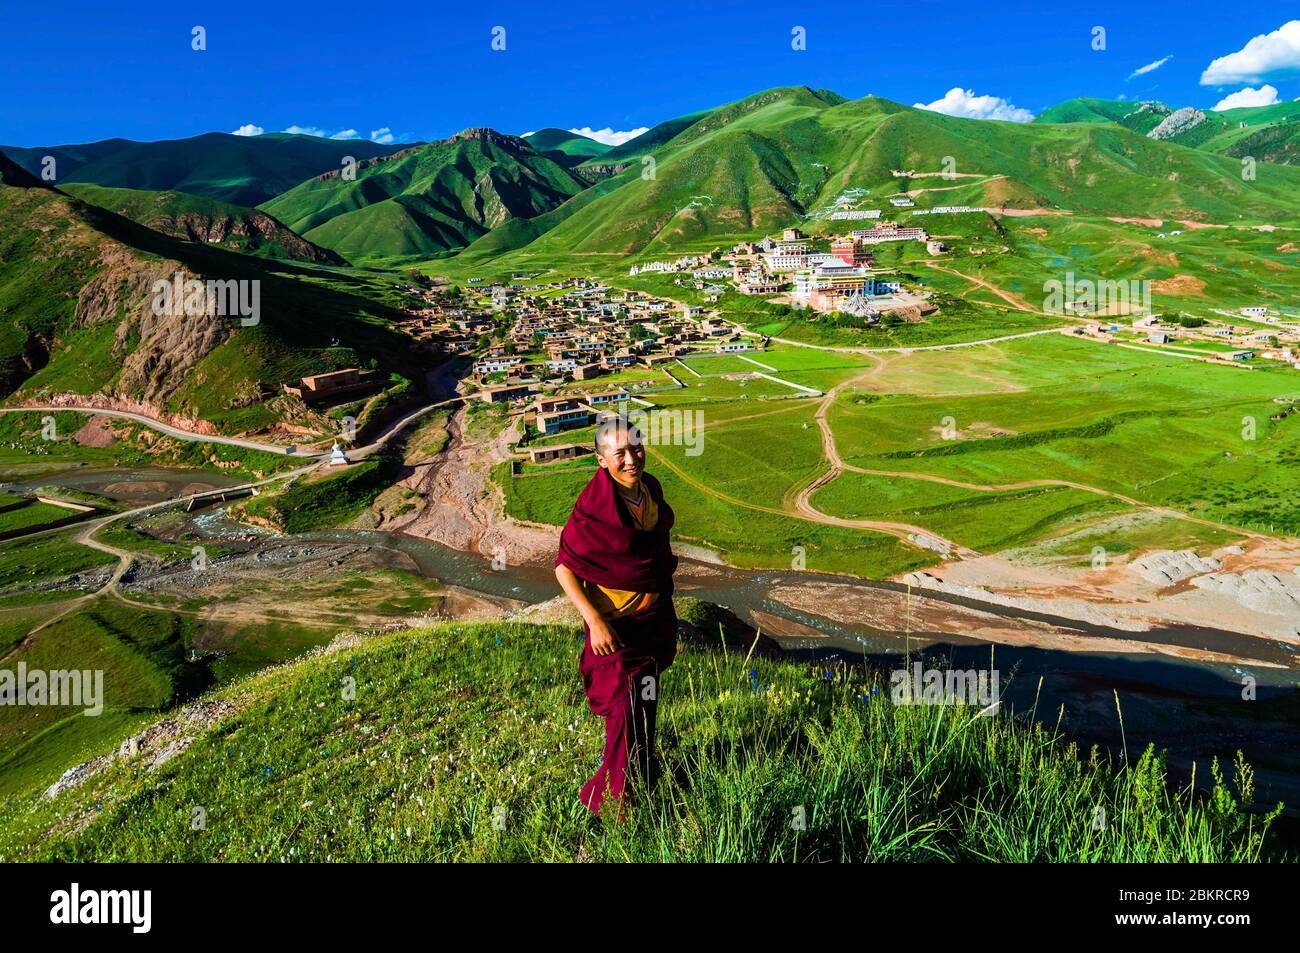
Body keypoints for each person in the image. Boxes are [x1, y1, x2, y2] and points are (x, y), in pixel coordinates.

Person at [554, 414, 678, 819]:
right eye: (619, 452)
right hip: (615, 629)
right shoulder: (595, 505)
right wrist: (595, 621)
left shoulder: (651, 491)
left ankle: (640, 781)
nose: (631, 459)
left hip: (651, 620)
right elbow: (563, 567)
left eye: (636, 448)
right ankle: (612, 805)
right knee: (624, 710)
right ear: (600, 459)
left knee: (646, 704)